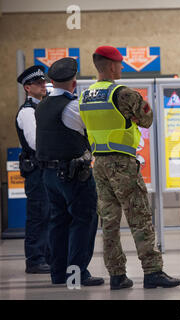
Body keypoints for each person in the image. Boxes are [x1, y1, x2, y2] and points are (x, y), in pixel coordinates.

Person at [79, 46, 180, 290]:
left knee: (110, 221)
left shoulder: (85, 95)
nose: (122, 68)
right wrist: (135, 117)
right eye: (120, 64)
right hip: (122, 163)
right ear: (112, 66)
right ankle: (153, 271)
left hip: (99, 162)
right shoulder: (122, 93)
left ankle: (117, 275)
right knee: (139, 217)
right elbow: (146, 119)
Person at [35, 58, 104, 286]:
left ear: (51, 82)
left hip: (49, 175)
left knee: (58, 222)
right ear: (74, 83)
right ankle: (77, 273)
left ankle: (58, 274)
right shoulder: (73, 106)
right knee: (83, 220)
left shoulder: (42, 106)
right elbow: (90, 131)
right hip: (74, 175)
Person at [15, 65, 50, 274]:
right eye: (38, 83)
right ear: (28, 88)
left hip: (45, 170)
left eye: (43, 82)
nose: (43, 85)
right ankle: (35, 259)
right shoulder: (28, 112)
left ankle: (45, 256)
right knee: (38, 214)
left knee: (48, 214)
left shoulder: (42, 108)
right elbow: (36, 143)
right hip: (36, 171)